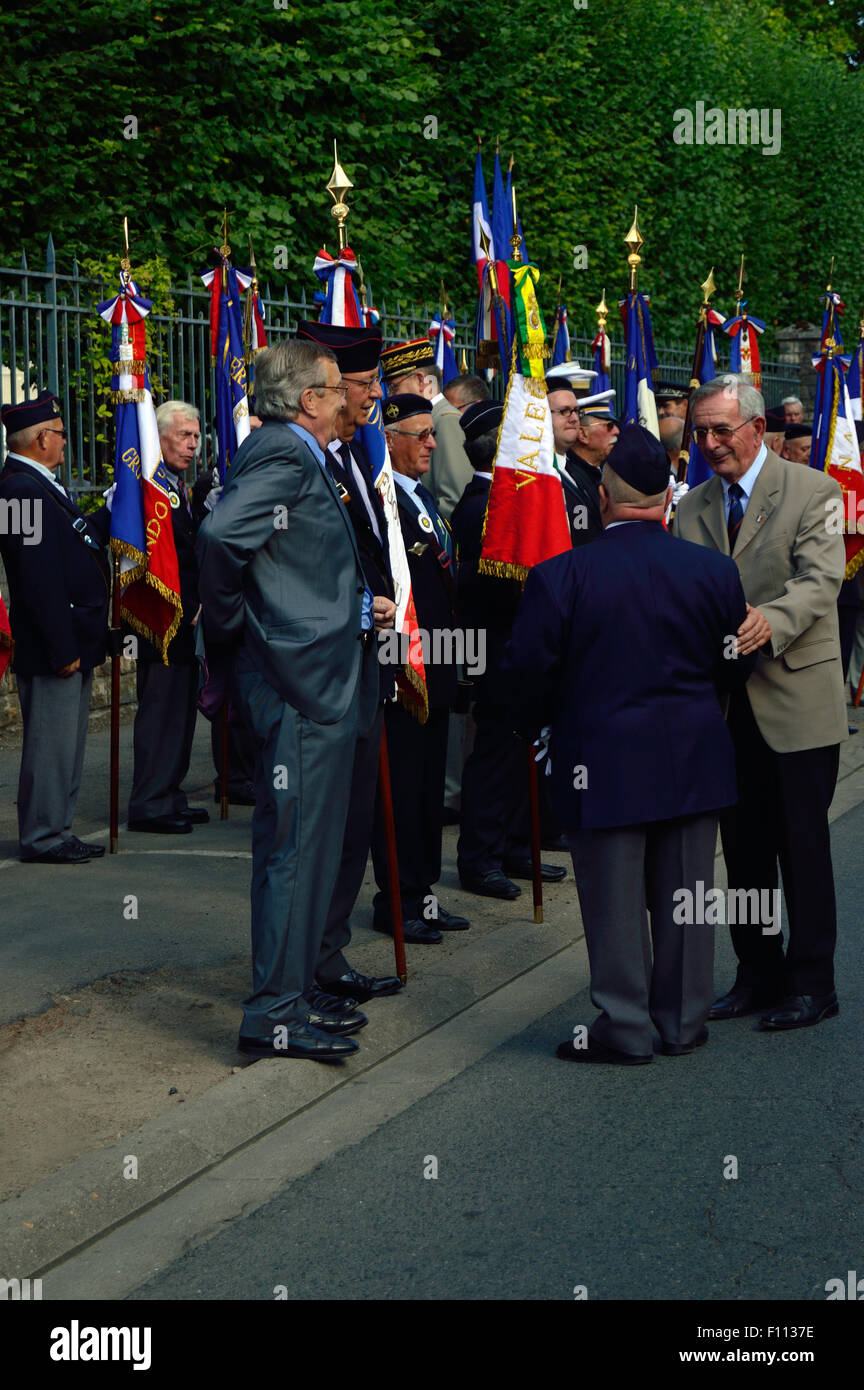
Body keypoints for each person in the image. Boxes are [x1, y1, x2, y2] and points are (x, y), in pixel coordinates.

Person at [502, 425, 753, 1063]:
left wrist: (536, 728)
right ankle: (683, 1021)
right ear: (669, 499)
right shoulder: (714, 570)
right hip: (694, 755)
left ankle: (625, 1027)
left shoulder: (561, 575)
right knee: (687, 897)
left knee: (613, 903)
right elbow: (733, 664)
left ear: (605, 498)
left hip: (601, 760)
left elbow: (528, 672)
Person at [196, 339, 373, 1061]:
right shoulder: (286, 452)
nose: (349, 401)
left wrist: (355, 607)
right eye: (336, 390)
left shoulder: (295, 451)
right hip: (298, 682)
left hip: (310, 674)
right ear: (308, 400)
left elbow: (290, 557)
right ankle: (274, 1012)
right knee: (294, 854)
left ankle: (294, 996)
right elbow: (218, 537)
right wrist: (250, 632)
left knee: (303, 849)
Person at [675, 374, 847, 1031]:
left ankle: (812, 983)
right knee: (742, 849)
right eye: (701, 433)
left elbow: (820, 580)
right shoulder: (692, 507)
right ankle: (758, 973)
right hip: (722, 706)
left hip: (796, 697)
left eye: (722, 430)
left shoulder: (815, 491)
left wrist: (769, 621)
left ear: (756, 427)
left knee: (801, 845)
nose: (712, 443)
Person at [295, 319, 403, 1004]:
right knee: (317, 831)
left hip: (362, 670)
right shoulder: (292, 459)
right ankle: (299, 970)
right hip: (321, 678)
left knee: (353, 824)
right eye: (364, 386)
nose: (372, 399)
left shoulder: (353, 458)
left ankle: (327, 956)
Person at [452, 401, 565, 899]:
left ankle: (516, 847)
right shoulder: (483, 505)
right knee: (495, 756)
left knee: (524, 755)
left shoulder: (509, 498)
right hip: (496, 650)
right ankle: (480, 859)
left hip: (519, 649)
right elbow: (487, 588)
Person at [371, 393, 469, 943]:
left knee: (430, 788)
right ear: (389, 438)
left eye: (434, 433)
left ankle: (423, 893)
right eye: (421, 434)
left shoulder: (420, 499)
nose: (433, 443)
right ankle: (397, 900)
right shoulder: (385, 502)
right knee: (402, 790)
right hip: (402, 667)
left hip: (437, 666)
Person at [0, 390, 109, 864]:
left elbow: (75, 544)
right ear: (42, 438)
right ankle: (43, 834)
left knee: (65, 745)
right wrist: (61, 645)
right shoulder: (17, 489)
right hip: (53, 643)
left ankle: (57, 828)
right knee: (50, 745)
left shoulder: (38, 484)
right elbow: (32, 575)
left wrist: (113, 508)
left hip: (72, 638)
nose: (66, 444)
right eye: (61, 435)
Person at [127, 401, 210, 834]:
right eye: (184, 436)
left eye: (196, 436)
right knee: (160, 716)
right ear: (158, 438)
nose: (193, 444)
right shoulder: (146, 488)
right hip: (160, 621)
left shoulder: (177, 485)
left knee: (180, 714)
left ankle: (169, 794)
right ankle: (149, 803)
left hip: (185, 623)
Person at [380, 339, 472, 520]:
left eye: (393, 387)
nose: (389, 395)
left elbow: (454, 499)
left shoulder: (447, 421)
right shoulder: (438, 417)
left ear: (421, 381)